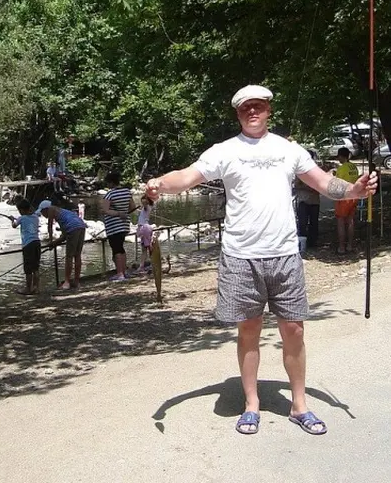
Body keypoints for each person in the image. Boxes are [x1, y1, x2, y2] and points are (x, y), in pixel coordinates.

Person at [146, 85, 377, 436]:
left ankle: (299, 405)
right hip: (240, 257)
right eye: (245, 107)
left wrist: (354, 190)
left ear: (269, 109)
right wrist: (160, 183)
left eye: (258, 106)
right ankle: (251, 404)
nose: (252, 111)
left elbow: (323, 182)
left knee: (294, 330)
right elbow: (186, 177)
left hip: (285, 255)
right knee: (249, 330)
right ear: (237, 113)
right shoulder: (224, 151)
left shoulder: (289, 149)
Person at [36, 200, 86, 290]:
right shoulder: (62, 213)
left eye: (42, 212)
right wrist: (54, 243)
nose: (43, 215)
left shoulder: (51, 209)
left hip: (73, 228)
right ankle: (76, 281)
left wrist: (51, 241)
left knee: (69, 256)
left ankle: (67, 282)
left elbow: (50, 226)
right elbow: (64, 236)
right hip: (81, 226)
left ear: (45, 209)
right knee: (77, 255)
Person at [102, 171, 137, 281]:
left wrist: (118, 213)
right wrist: (124, 212)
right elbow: (132, 207)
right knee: (121, 248)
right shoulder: (127, 192)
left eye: (108, 183)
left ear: (111, 183)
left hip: (113, 226)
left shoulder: (110, 194)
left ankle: (120, 273)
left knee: (116, 249)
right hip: (124, 224)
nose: (107, 185)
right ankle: (124, 271)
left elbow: (105, 210)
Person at [11, 198, 41, 295]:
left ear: (22, 210)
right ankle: (36, 288)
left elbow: (14, 225)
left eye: (19, 210)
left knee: (28, 269)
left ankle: (28, 289)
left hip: (28, 245)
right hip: (37, 243)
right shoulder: (36, 217)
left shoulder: (21, 218)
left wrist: (12, 219)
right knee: (35, 268)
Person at [334, 147, 360, 254]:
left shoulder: (342, 168)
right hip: (354, 196)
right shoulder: (354, 167)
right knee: (350, 221)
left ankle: (341, 247)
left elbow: (337, 183)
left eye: (338, 157)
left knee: (340, 221)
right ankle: (349, 245)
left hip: (344, 197)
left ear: (341, 156)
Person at [295, 151, 320, 249]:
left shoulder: (317, 170)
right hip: (303, 200)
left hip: (315, 201)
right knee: (302, 222)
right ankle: (302, 244)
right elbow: (297, 185)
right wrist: (308, 187)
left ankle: (313, 242)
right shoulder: (300, 171)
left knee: (314, 223)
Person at [136, 195, 154, 272]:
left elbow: (146, 206)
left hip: (145, 228)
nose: (142, 202)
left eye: (144, 201)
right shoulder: (145, 208)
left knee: (148, 248)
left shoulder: (147, 207)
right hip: (143, 229)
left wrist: (145, 203)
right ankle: (142, 265)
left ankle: (152, 264)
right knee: (145, 248)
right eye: (142, 201)